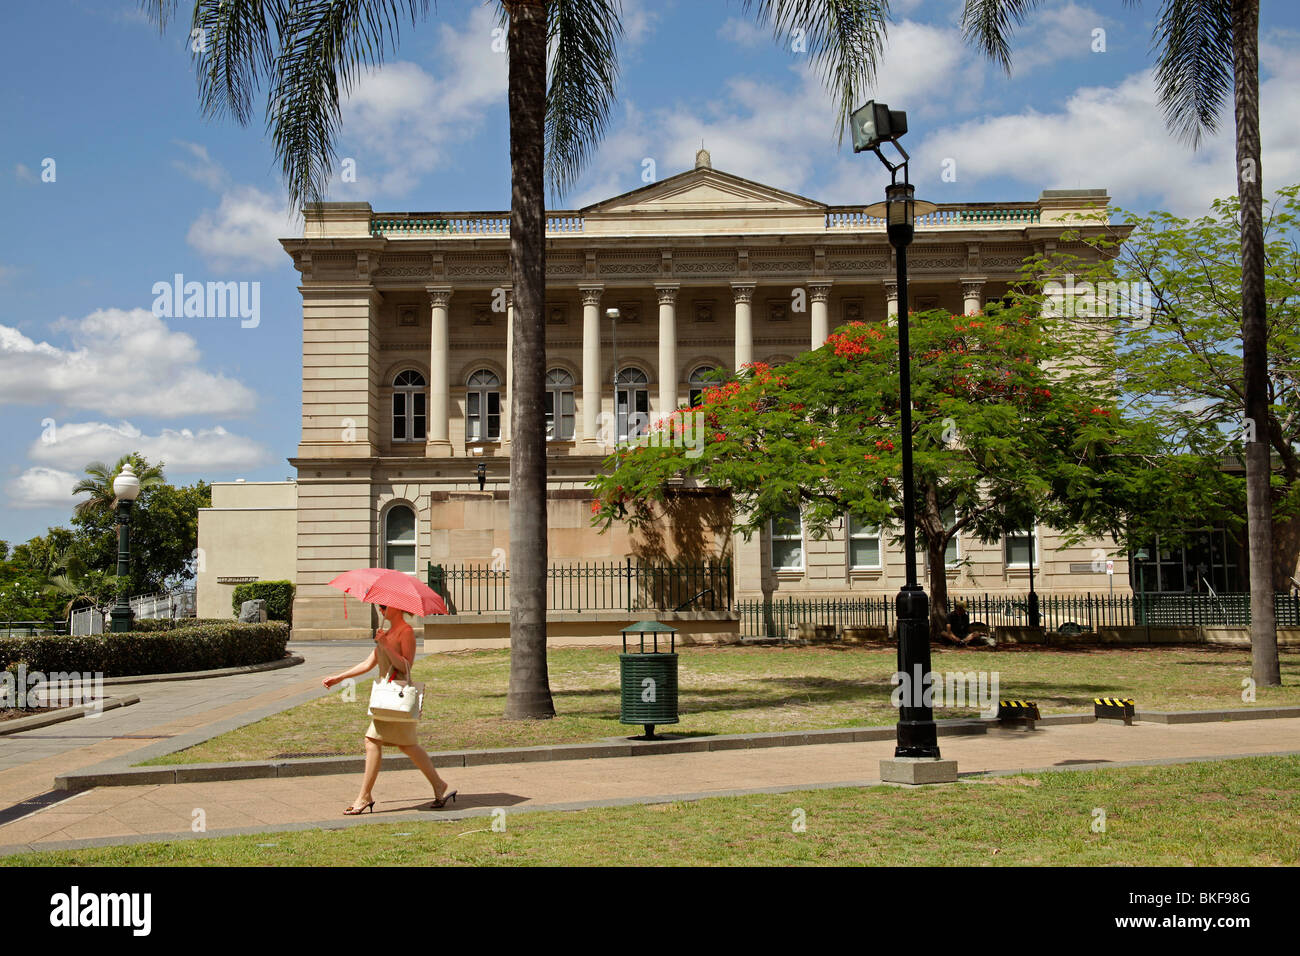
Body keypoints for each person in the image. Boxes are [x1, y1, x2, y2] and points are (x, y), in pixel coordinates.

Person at [322, 603, 456, 814]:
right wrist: (339, 677)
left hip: (398, 697)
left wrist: (386, 645)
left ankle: (364, 796)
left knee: (375, 741)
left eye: (384, 607)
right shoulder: (386, 633)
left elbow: (406, 666)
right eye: (379, 607)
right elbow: (368, 664)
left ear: (396, 608)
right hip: (389, 700)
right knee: (407, 745)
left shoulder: (406, 632)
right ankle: (438, 785)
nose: (381, 611)